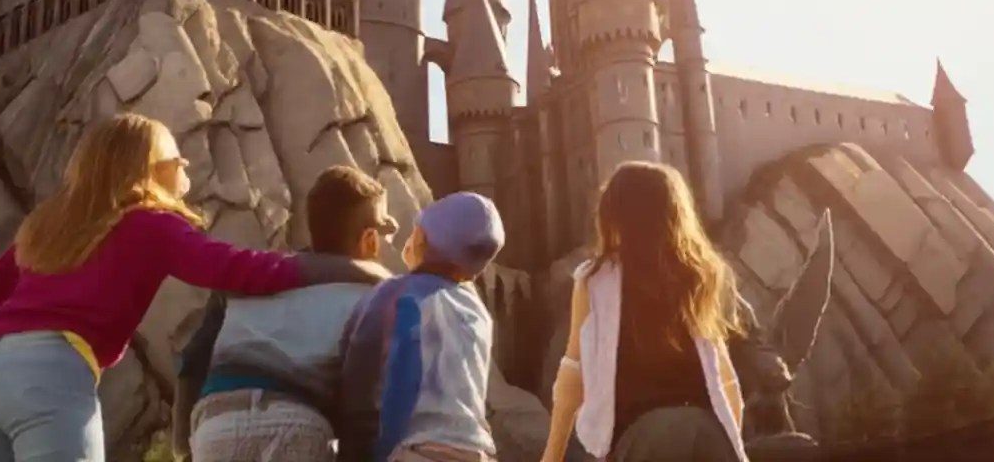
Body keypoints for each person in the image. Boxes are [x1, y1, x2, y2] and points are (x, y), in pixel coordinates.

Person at [0, 113, 390, 462]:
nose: (184, 168)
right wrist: (339, 267)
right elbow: (234, 269)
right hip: (47, 373)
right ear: (147, 170)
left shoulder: (48, 225)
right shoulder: (150, 224)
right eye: (175, 160)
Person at [175, 165, 399, 462]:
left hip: (216, 422)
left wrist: (182, 447)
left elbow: (192, 363)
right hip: (294, 420)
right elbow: (362, 401)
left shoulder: (256, 275)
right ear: (370, 240)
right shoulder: (369, 296)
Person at [540, 162, 748, 462]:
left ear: (614, 215)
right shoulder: (701, 276)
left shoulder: (595, 280)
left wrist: (552, 455)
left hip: (643, 440)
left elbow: (573, 375)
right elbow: (725, 378)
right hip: (706, 434)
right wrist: (733, 446)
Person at [338, 191, 505, 462]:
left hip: (417, 451)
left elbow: (360, 378)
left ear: (424, 239)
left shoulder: (395, 294)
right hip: (476, 452)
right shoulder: (477, 311)